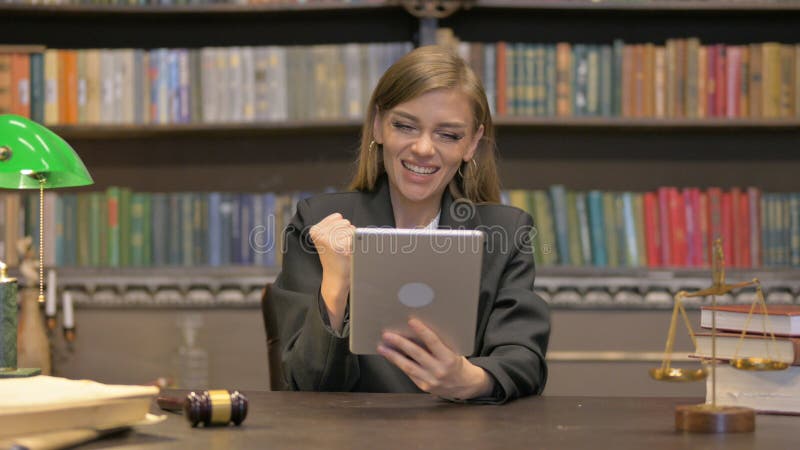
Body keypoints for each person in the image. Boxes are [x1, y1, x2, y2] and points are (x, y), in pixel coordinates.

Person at [268, 45, 550, 404]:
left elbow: (525, 360)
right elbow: (304, 383)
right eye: (405, 125)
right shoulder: (318, 223)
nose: (422, 148)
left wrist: (471, 379)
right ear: (378, 125)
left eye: (448, 134)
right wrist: (336, 286)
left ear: (472, 143)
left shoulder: (506, 233)